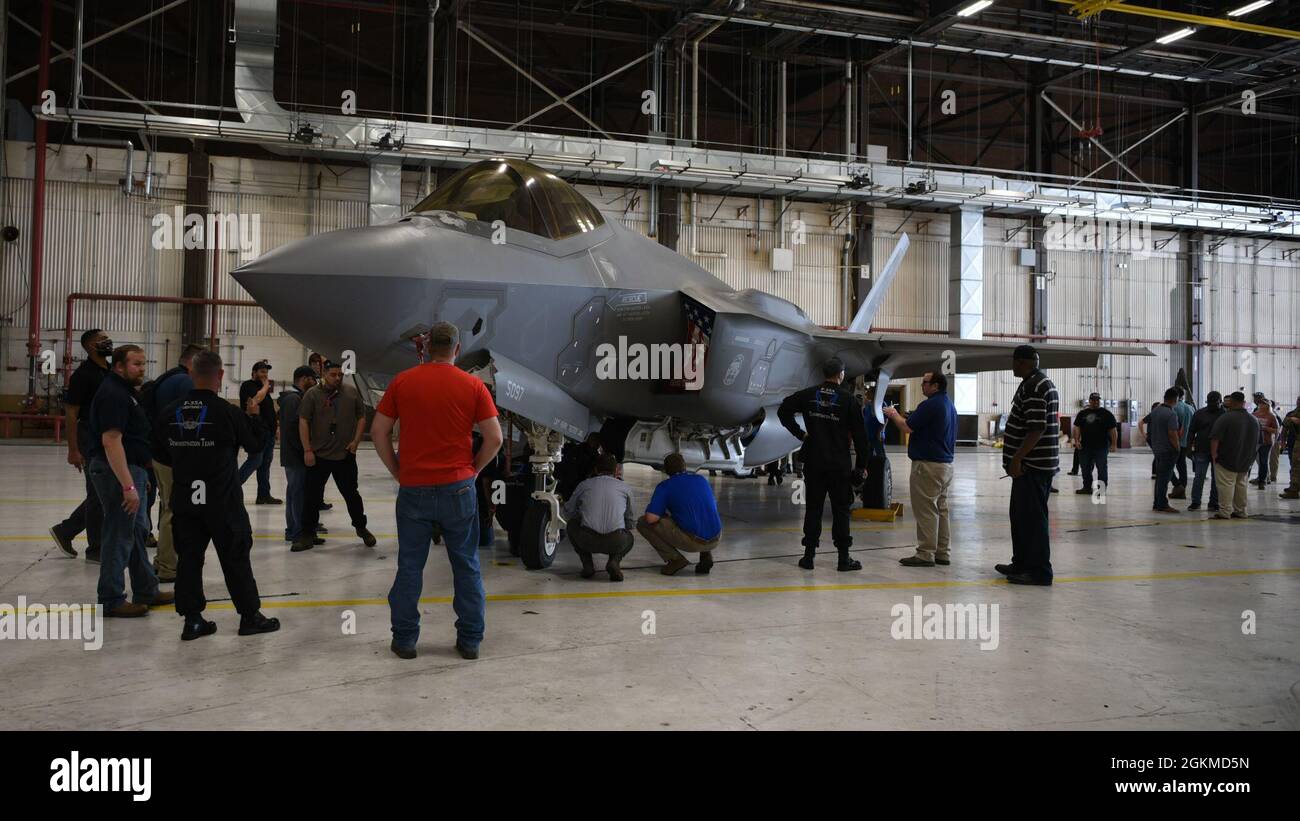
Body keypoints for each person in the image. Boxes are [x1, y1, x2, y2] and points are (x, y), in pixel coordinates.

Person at [370, 322, 502, 660]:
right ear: (457, 349)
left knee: (410, 566)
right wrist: (473, 471)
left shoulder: (403, 382)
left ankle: (405, 639)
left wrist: (398, 471)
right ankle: (470, 640)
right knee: (467, 565)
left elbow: (379, 432)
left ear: (428, 348)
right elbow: (495, 438)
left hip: (414, 488)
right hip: (458, 488)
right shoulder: (474, 386)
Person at [151, 350, 280, 640]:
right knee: (235, 557)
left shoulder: (170, 412)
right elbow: (257, 445)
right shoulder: (228, 412)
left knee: (189, 560)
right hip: (222, 501)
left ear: (191, 375)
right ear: (220, 376)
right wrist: (256, 415)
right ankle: (249, 616)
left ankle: (193, 620)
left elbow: (159, 453)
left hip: (185, 499)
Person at [85, 345, 174, 617]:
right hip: (115, 472)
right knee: (119, 534)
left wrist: (138, 474)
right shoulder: (114, 394)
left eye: (143, 363)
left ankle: (147, 588)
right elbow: (111, 441)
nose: (141, 368)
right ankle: (111, 599)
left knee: (135, 532)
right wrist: (127, 485)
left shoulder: (124, 391)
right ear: (119, 366)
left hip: (130, 468)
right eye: (136, 364)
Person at [777, 357, 870, 571]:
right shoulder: (848, 401)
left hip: (814, 462)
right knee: (841, 510)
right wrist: (862, 466)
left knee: (813, 508)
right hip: (839, 465)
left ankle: (808, 557)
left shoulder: (808, 395)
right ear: (841, 374)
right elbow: (861, 437)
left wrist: (801, 434)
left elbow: (784, 410)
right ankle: (843, 559)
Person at [294, 359, 376, 551]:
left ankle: (361, 528)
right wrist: (307, 449)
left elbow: (361, 416)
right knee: (312, 497)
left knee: (351, 495)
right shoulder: (312, 394)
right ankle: (307, 534)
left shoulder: (351, 393)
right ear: (324, 374)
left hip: (344, 455)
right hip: (319, 455)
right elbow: (303, 421)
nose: (337, 378)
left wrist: (355, 441)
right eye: (333, 374)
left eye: (340, 375)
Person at [995, 345, 1059, 586]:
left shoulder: (1034, 386)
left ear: (1023, 362)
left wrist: (1017, 458)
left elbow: (1036, 428)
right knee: (1021, 517)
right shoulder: (1036, 382)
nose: (1012, 366)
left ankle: (1039, 571)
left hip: (1032, 466)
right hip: (1033, 465)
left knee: (1033, 520)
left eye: (1014, 362)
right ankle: (1021, 562)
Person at [141, 344, 204, 583]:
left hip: (160, 453)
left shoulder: (166, 378)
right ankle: (169, 566)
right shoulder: (185, 382)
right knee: (173, 511)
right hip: (173, 456)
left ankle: (161, 561)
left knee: (166, 506)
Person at [49, 329, 113, 563]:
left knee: (102, 491)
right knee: (97, 493)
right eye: (101, 341)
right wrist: (73, 449)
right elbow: (71, 412)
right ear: (89, 347)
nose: (107, 343)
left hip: (106, 435)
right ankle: (95, 549)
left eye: (107, 338)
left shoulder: (109, 371)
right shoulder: (83, 375)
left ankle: (66, 530)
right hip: (89, 436)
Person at [883, 370, 956, 568]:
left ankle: (925, 553)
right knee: (941, 510)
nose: (922, 385)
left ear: (936, 385)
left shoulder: (930, 404)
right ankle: (943, 552)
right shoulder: (949, 405)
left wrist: (893, 414)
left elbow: (907, 428)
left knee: (926, 510)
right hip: (945, 465)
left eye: (925, 382)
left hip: (927, 465)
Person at [636, 453, 723, 575]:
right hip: (717, 537)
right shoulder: (701, 480)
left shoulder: (665, 487)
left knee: (642, 523)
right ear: (685, 466)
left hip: (693, 542)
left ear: (665, 470)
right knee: (699, 514)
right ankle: (706, 555)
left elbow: (650, 518)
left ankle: (675, 559)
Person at [562, 453, 636, 581]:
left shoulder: (584, 485)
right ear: (616, 470)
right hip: (616, 541)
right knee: (629, 538)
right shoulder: (625, 488)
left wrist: (582, 516)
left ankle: (587, 565)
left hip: (587, 540)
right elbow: (631, 521)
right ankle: (614, 562)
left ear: (596, 469)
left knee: (572, 525)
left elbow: (568, 512)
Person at [279, 366, 321, 547]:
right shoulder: (294, 400)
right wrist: (305, 450)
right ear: (304, 379)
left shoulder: (294, 398)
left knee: (294, 494)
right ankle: (297, 533)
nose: (315, 383)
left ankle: (294, 530)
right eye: (313, 379)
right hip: (295, 456)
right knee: (298, 495)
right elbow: (292, 430)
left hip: (294, 455)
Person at [1210, 392, 1261, 520]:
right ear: (1243, 402)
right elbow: (1259, 443)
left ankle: (1225, 511)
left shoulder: (1225, 418)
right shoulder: (1254, 420)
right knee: (1241, 485)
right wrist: (1251, 457)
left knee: (1225, 485)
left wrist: (1214, 455)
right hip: (1245, 460)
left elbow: (1215, 439)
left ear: (1231, 402)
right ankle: (1240, 510)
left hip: (1226, 459)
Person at [237, 360, 281, 504]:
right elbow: (255, 401)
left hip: (268, 432)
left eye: (266, 372)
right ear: (254, 373)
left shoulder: (263, 388)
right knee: (255, 460)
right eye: (262, 372)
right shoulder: (248, 386)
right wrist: (266, 385)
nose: (265, 375)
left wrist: (276, 427)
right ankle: (232, 486)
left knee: (265, 463)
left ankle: (263, 495)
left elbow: (268, 409)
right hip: (256, 431)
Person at [1071, 392, 1117, 496]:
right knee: (1085, 468)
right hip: (1085, 446)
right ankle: (1087, 488)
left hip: (1101, 447)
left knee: (1101, 468)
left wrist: (1114, 444)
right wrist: (1077, 440)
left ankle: (1101, 490)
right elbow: (1077, 427)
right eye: (1093, 400)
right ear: (1090, 401)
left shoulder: (1106, 414)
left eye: (1097, 400)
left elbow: (1113, 430)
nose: (1096, 402)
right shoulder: (1082, 414)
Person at [1186, 391, 1225, 512]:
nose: (1212, 405)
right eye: (1210, 402)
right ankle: (1195, 501)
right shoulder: (1199, 413)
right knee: (1199, 477)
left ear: (1220, 401)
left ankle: (1214, 502)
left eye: (1215, 402)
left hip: (1219, 452)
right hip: (1201, 450)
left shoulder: (1225, 415)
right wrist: (1188, 448)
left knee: (1216, 478)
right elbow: (1191, 431)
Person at [1147, 389, 1182, 513]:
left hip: (1157, 449)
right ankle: (1162, 504)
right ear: (1176, 399)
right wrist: (1177, 448)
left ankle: (1157, 503)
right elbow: (1172, 433)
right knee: (1164, 479)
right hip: (1168, 450)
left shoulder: (1155, 411)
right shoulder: (1171, 414)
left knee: (1160, 478)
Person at [1169, 388, 1194, 499]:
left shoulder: (1174, 408)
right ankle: (1182, 488)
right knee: (1181, 465)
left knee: (1167, 466)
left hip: (1175, 441)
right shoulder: (1191, 408)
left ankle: (1178, 486)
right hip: (1187, 442)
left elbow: (1172, 427)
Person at [1251, 392, 1278, 488]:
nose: (1261, 405)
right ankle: (1246, 479)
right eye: (1260, 403)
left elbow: (1276, 429)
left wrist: (1267, 429)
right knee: (1250, 461)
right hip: (1254, 442)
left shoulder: (1272, 416)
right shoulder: (1253, 414)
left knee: (1264, 461)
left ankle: (1263, 481)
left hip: (1267, 442)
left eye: (1263, 403)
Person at [1278, 399, 1300, 500]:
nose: (1298, 401)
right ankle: (1294, 487)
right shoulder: (1292, 413)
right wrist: (1283, 443)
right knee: (1294, 466)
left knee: (1296, 467)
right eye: (1298, 399)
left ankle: (1294, 489)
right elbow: (1284, 430)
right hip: (1293, 443)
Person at [1138, 402, 1160, 479]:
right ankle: (1155, 473)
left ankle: (1156, 473)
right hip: (1151, 438)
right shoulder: (1152, 415)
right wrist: (1143, 434)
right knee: (1157, 455)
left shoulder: (1159, 415)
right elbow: (1140, 423)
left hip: (1156, 438)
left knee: (1157, 455)